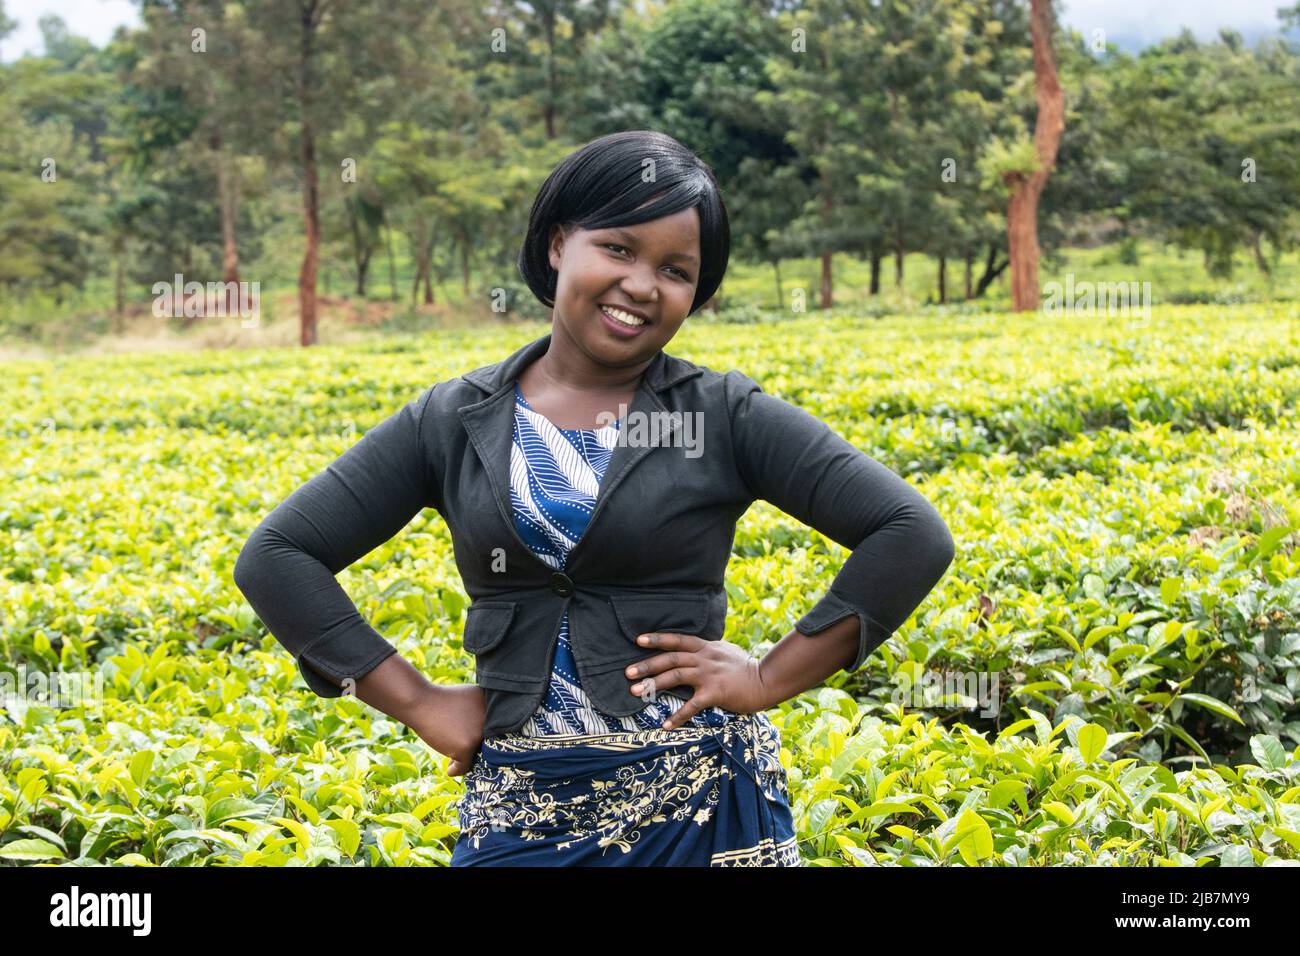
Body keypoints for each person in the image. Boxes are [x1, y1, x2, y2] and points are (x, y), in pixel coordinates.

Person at [233, 129, 955, 867]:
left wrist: (768, 676)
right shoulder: (452, 419)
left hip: (703, 802)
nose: (642, 285)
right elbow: (279, 556)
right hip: (523, 805)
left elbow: (908, 532)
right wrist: (417, 701)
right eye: (617, 248)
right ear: (557, 246)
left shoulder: (721, 415)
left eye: (675, 270)